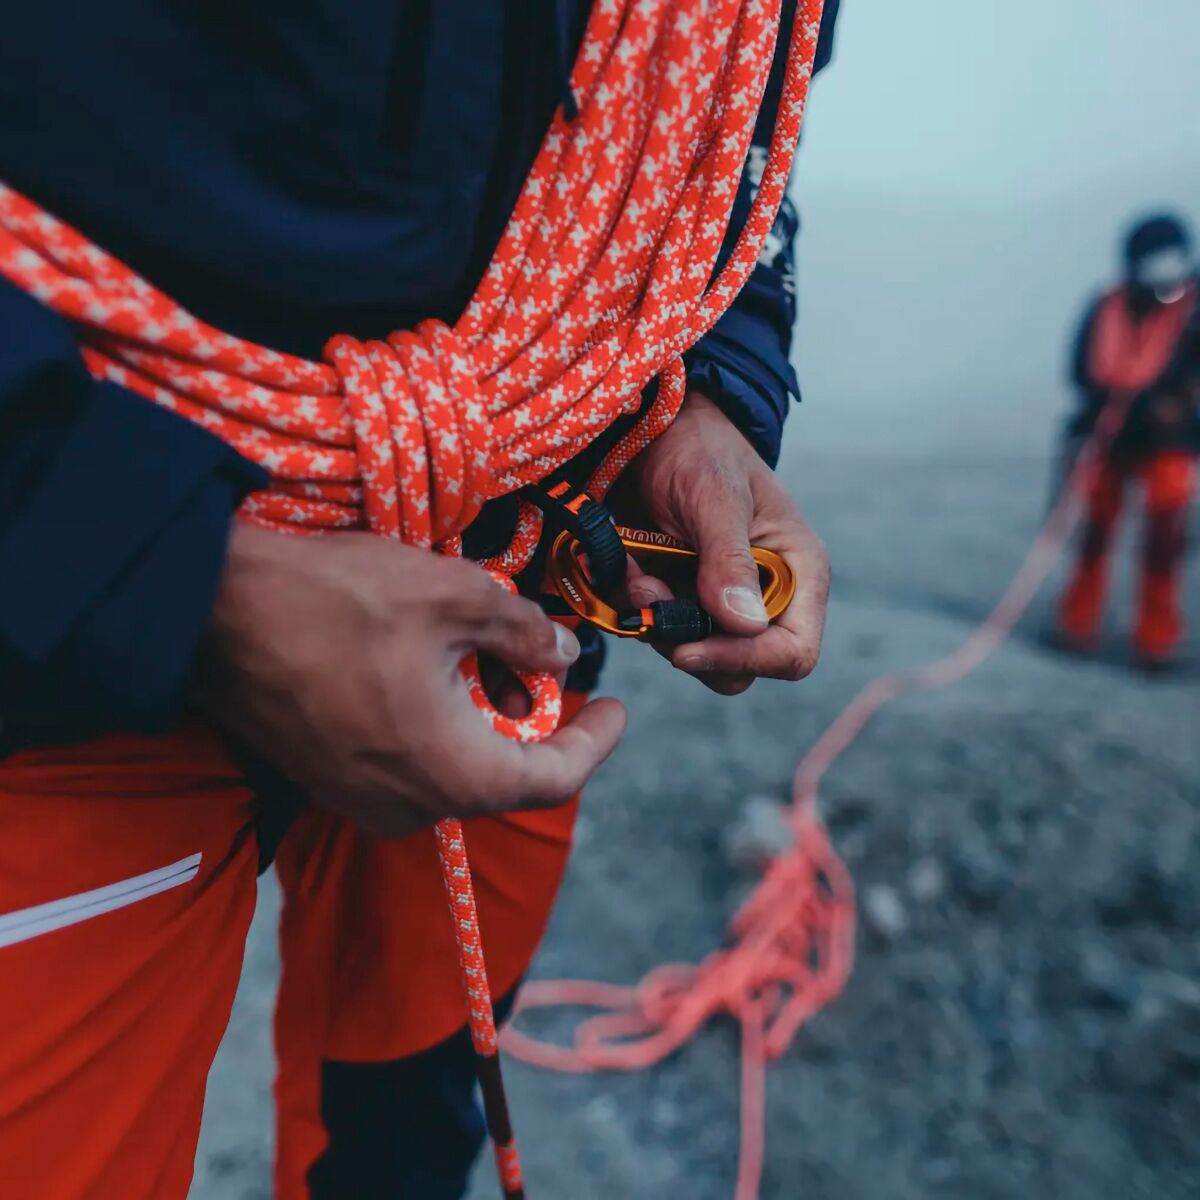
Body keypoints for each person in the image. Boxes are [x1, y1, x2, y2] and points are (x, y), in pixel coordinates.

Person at [0, 2, 839, 1197]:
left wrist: (706, 391)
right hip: (54, 627)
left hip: (509, 589)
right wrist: (165, 569)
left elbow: (744, 102)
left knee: (403, 1144)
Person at [1057, 213, 1199, 670]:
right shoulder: (1107, 305)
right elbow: (1080, 369)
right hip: (1110, 438)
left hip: (1170, 444)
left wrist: (1175, 404)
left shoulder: (1194, 313)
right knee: (1094, 535)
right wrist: (1112, 401)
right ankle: (1076, 627)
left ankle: (1156, 641)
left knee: (1163, 542)